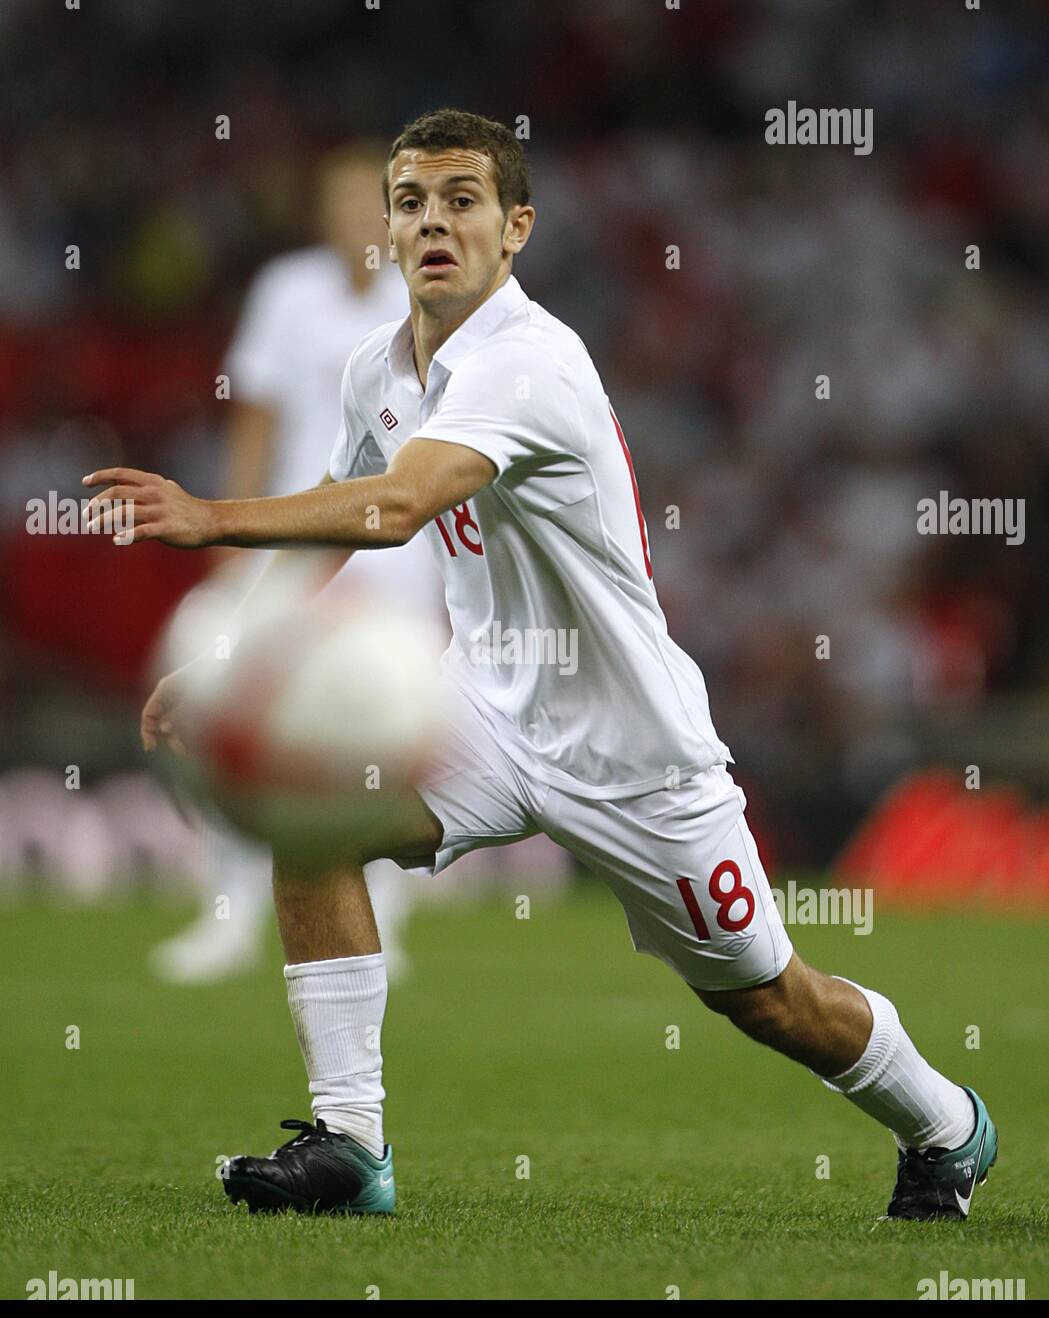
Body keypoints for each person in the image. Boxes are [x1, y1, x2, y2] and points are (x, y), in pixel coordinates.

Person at [84, 108, 996, 1222]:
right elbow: (335, 515)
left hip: (632, 749)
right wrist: (238, 653)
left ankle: (944, 1124)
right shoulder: (379, 367)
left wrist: (212, 516)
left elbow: (394, 507)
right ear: (386, 227)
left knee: (767, 998)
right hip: (485, 704)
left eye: (461, 200)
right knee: (311, 814)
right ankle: (349, 1143)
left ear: (516, 226)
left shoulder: (529, 361)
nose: (433, 222)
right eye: (411, 202)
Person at [150, 141, 436, 985]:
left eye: (367, 203)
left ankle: (385, 918)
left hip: (396, 544)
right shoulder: (287, 291)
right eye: (337, 202)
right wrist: (230, 547)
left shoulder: (425, 294)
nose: (353, 219)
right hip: (295, 531)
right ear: (319, 214)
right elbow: (256, 421)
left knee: (381, 722)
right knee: (236, 710)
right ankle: (228, 916)